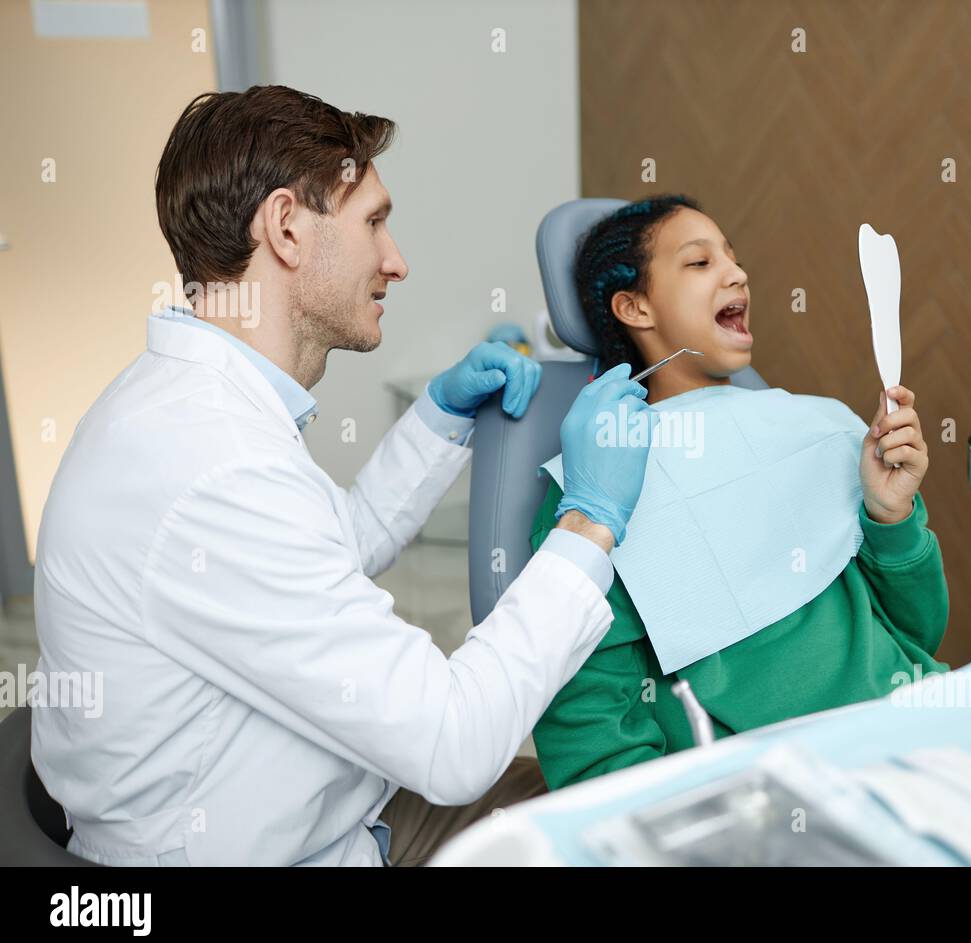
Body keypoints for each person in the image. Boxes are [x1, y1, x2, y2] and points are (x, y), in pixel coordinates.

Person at [31, 85, 653, 866]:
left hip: (330, 816)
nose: (396, 262)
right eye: (374, 223)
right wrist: (588, 521)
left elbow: (331, 549)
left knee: (608, 805)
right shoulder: (213, 464)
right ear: (286, 228)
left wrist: (438, 417)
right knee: (624, 835)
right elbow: (453, 743)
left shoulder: (185, 407)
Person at [529, 196, 949, 788]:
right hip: (777, 798)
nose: (737, 273)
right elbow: (589, 715)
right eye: (699, 263)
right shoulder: (600, 484)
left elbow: (917, 636)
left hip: (922, 737)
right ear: (634, 306)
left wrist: (892, 515)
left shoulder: (821, 429)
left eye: (734, 259)